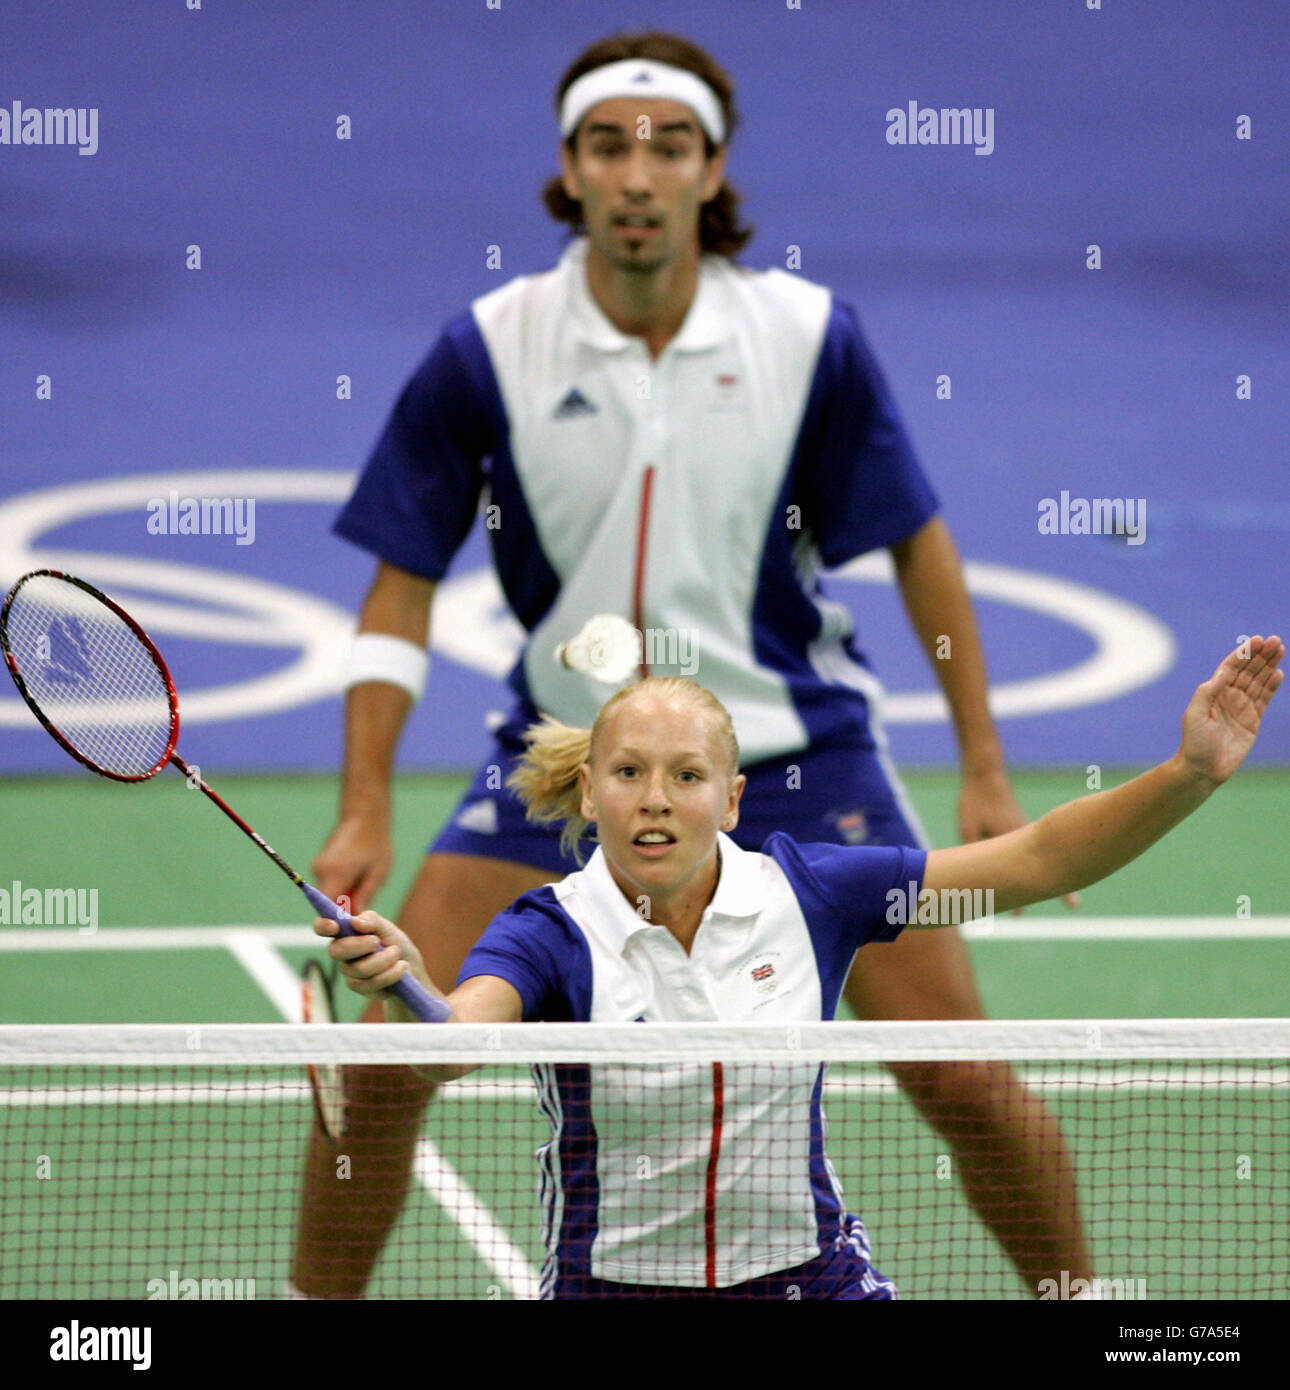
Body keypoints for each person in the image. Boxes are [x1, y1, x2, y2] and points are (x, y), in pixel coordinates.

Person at [295, 29, 1078, 1296]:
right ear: (571, 169)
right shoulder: (489, 348)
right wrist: (365, 796)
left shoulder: (806, 336)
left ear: (714, 172)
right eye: (611, 146)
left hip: (794, 754)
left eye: (670, 146)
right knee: (389, 1069)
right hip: (569, 759)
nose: (639, 174)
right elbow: (399, 588)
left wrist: (984, 764)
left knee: (961, 1076)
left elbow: (922, 553)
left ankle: (1090, 1313)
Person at [313, 640, 1283, 1299]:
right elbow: (455, 1045)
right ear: (588, 792)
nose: (656, 800)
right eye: (629, 773)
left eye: (687, 777)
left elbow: (1035, 862)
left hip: (808, 1280)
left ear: (731, 799)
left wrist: (1187, 774)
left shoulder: (815, 894)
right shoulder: (549, 930)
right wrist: (406, 985)